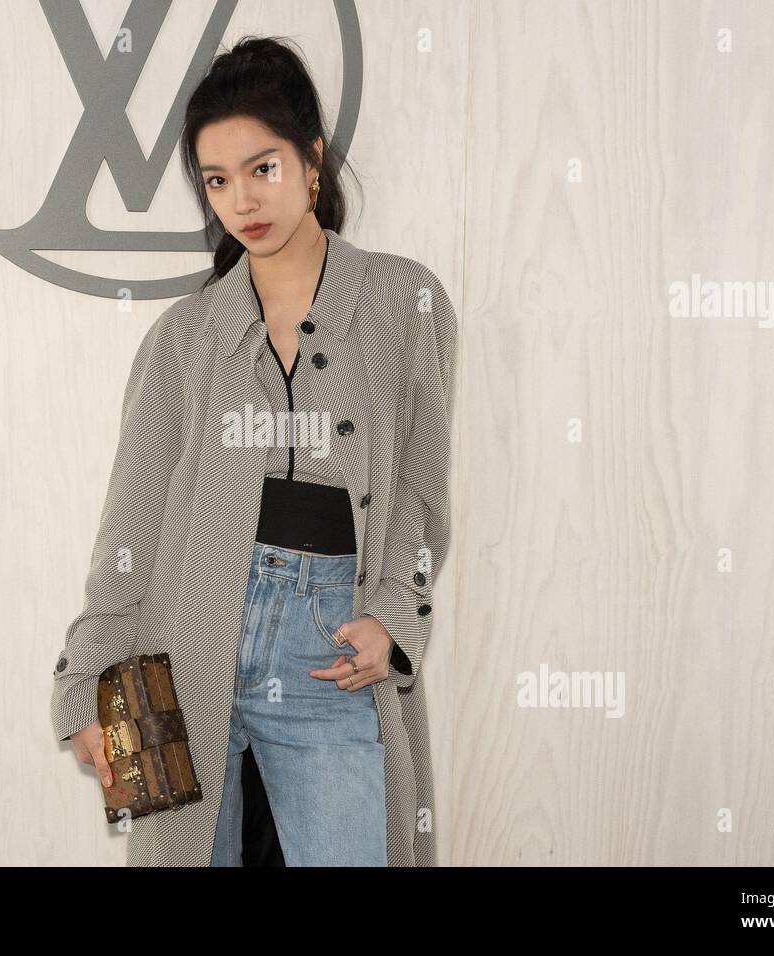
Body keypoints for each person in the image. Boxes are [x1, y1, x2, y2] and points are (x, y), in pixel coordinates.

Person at [51, 35, 457, 867]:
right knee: (171, 854)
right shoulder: (184, 339)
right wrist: (89, 679)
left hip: (327, 649)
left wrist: (393, 616)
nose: (243, 198)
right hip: (174, 649)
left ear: (312, 161)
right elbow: (128, 528)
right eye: (217, 180)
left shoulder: (402, 303)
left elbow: (419, 493)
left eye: (262, 168)